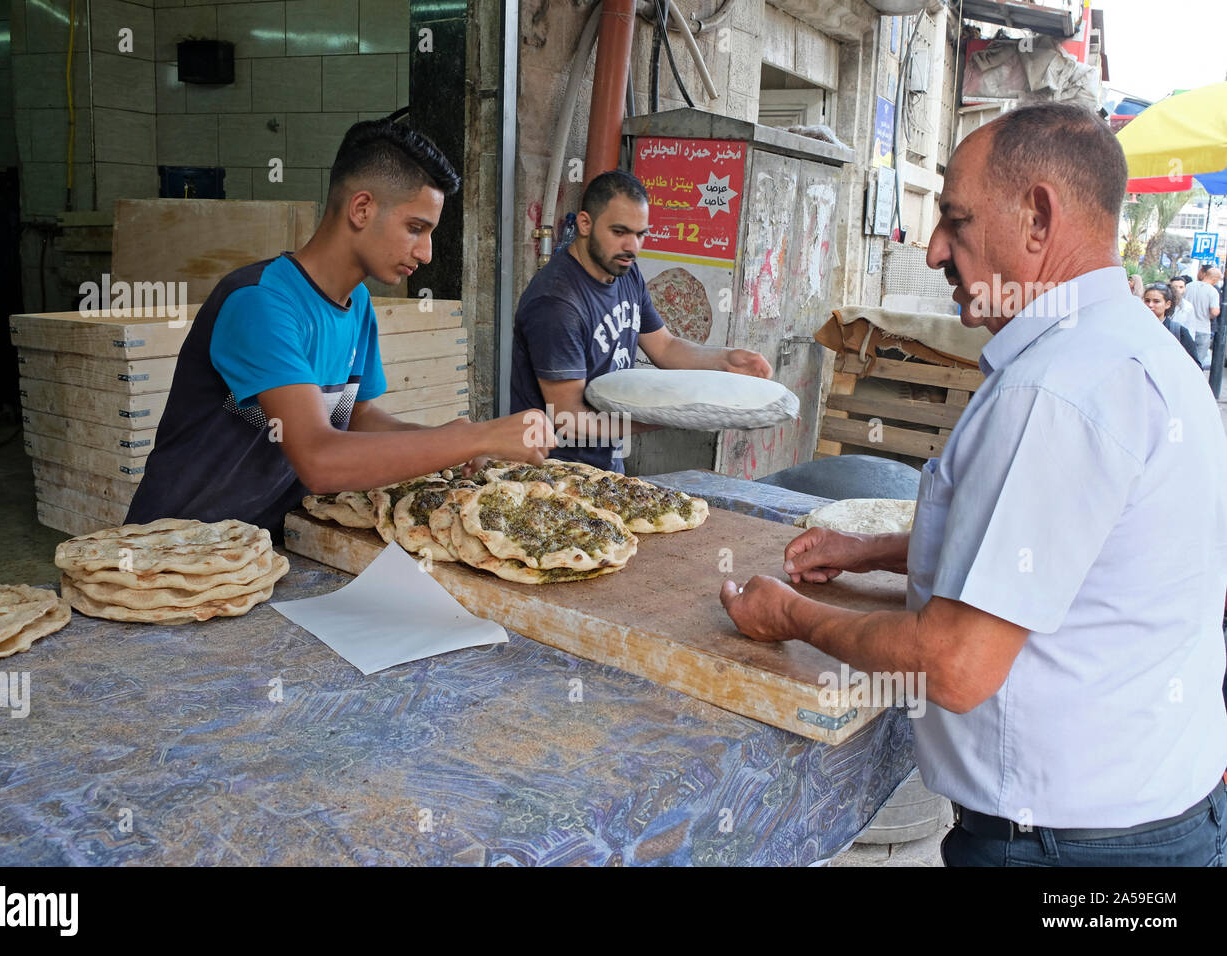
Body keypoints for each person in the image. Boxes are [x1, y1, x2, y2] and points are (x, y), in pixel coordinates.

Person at [719, 103, 1227, 866]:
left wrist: (792, 615)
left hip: (1069, 849)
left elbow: (953, 667)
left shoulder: (1055, 392)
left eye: (955, 221)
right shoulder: (1138, 354)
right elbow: (1059, 556)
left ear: (1038, 217)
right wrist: (875, 551)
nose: (932, 251)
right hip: (1157, 816)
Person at [126, 121, 553, 536]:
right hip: (172, 551)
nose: (425, 253)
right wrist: (479, 437)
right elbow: (320, 459)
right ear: (362, 208)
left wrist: (451, 438)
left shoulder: (357, 304)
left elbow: (356, 420)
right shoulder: (260, 303)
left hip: (260, 545)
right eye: (415, 228)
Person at [508, 169, 771, 472]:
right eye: (619, 232)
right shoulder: (556, 303)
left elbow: (665, 347)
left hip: (606, 468)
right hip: (552, 474)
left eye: (640, 234)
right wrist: (662, 418)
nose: (632, 246)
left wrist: (725, 359)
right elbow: (570, 420)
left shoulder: (625, 272)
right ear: (584, 224)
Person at [1144, 282, 1198, 363]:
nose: (1150, 305)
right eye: (1147, 301)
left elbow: (1195, 366)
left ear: (1167, 304)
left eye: (1156, 301)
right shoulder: (1136, 329)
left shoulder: (1179, 332)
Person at [1183, 265, 1222, 368]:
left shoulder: (1189, 286)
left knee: (1184, 356)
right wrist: (1210, 316)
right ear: (1214, 279)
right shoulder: (1213, 291)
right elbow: (1214, 311)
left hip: (1186, 327)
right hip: (1203, 328)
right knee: (1198, 361)